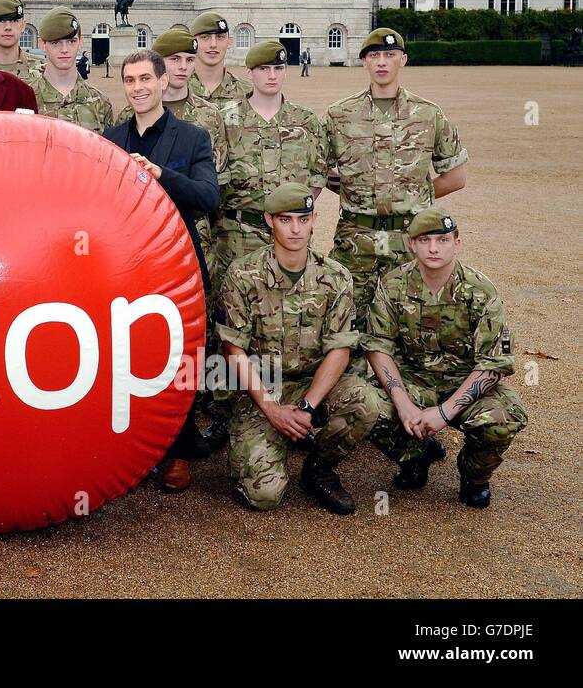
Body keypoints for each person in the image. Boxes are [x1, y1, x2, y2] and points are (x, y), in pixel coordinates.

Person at [217, 183, 382, 514]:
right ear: (268, 220)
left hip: (314, 383)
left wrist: (307, 408)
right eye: (286, 219)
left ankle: (319, 468)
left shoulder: (336, 277)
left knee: (365, 402)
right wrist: (272, 410)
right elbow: (233, 351)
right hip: (263, 388)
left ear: (314, 219)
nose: (295, 229)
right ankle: (273, 441)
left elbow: (339, 350)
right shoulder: (243, 275)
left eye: (303, 219)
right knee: (263, 496)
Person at [103, 49, 219, 492]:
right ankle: (129, 444)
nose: (137, 88)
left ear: (163, 80)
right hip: (123, 267)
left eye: (144, 79)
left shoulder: (193, 138)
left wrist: (160, 175)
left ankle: (178, 449)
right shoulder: (111, 138)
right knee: (128, 352)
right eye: (129, 81)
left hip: (177, 265)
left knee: (180, 356)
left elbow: (209, 198)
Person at [363, 207, 527, 508]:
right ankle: (416, 456)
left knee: (503, 419)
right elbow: (378, 345)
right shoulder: (392, 284)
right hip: (412, 380)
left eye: (443, 240)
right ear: (412, 244)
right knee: (363, 403)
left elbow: (493, 365)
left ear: (457, 244)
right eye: (424, 240)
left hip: (464, 382)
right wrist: (403, 403)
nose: (434, 248)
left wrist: (443, 412)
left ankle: (474, 476)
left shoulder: (480, 290)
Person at [324, 28, 468, 327]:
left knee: (411, 321)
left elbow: (455, 176)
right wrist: (356, 192)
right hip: (355, 240)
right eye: (374, 55)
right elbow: (317, 169)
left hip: (410, 238)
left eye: (389, 55)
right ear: (364, 61)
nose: (382, 62)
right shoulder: (340, 115)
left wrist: (410, 196)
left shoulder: (428, 114)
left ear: (403, 59)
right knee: (346, 321)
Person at [214, 39, 327, 280]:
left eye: (278, 68)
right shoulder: (224, 121)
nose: (271, 75)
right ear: (249, 72)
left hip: (291, 236)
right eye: (263, 69)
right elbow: (215, 179)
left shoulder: (305, 121)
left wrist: (291, 211)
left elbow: (317, 178)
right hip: (238, 236)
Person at [22, 7, 114, 132]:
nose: (65, 49)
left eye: (71, 41)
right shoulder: (24, 99)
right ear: (42, 44)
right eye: (55, 42)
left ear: (80, 42)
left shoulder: (100, 103)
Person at [188, 11, 252, 104]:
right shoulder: (176, 90)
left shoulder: (248, 92)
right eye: (205, 37)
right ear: (192, 42)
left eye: (220, 37)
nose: (213, 44)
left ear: (229, 42)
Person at [0, 0, 44, 78]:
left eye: (14, 21)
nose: (8, 27)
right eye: (0, 21)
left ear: (23, 25)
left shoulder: (44, 70)